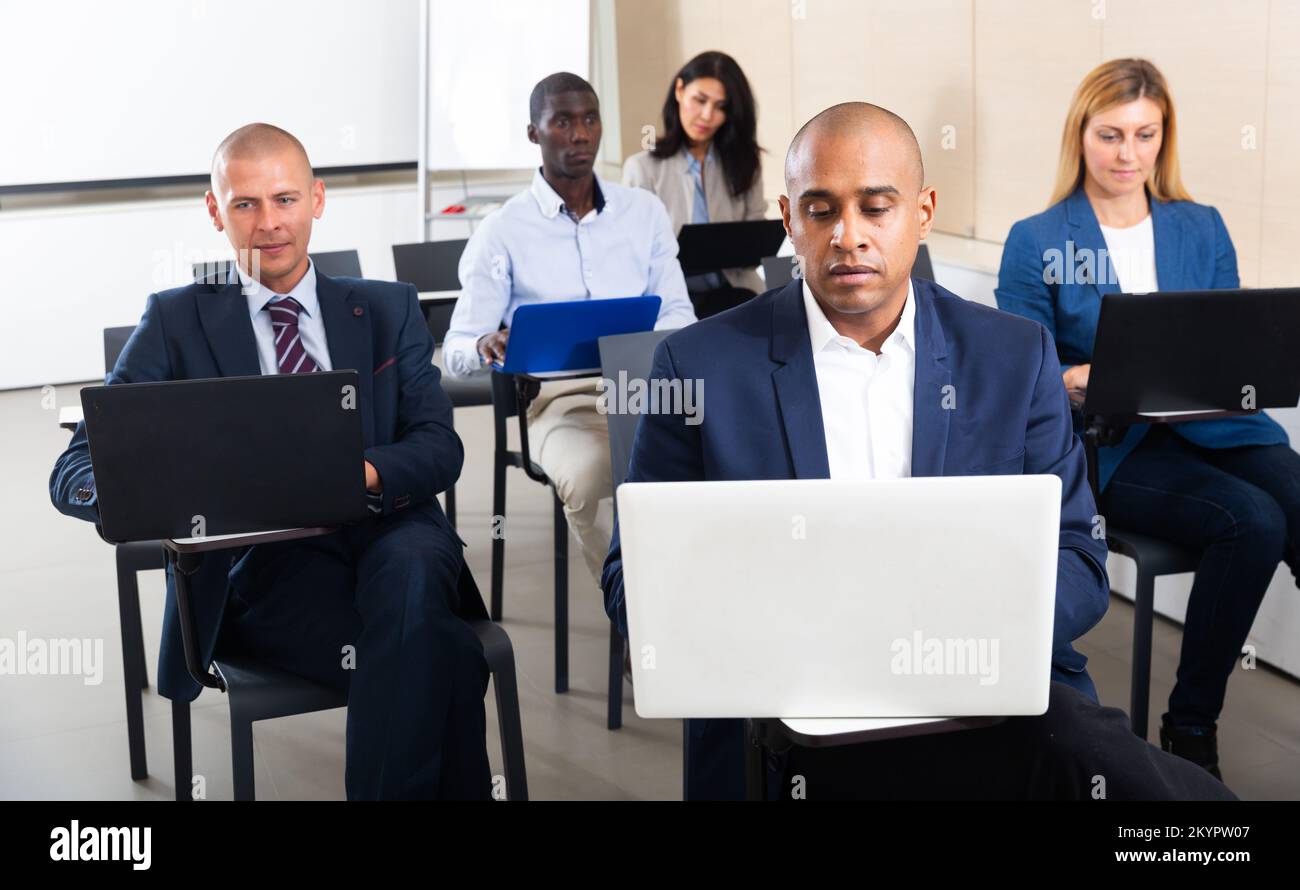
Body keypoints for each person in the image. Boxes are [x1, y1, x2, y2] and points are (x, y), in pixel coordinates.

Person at [600, 101, 1235, 802]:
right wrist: (795, 643)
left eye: (877, 208)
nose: (849, 236)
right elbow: (635, 579)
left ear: (923, 212)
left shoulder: (1014, 357)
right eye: (820, 211)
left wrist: (961, 640)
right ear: (788, 219)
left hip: (984, 698)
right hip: (791, 717)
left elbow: (1078, 555)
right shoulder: (698, 366)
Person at [50, 123, 492, 800]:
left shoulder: (386, 307)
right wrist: (155, 495)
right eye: (245, 204)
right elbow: (78, 466)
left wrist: (357, 476)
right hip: (266, 568)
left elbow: (439, 446)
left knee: (409, 574)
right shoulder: (175, 322)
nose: (269, 223)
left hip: (390, 528)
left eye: (284, 199)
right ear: (213, 210)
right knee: (445, 653)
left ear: (317, 199)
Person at [995, 58, 1300, 780]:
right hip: (1116, 446)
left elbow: (1227, 340)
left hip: (1220, 424)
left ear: (1165, 138)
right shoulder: (1036, 239)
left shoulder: (1200, 225)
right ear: (1081, 135)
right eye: (1110, 135)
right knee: (1251, 521)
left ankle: (1191, 720)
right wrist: (1077, 378)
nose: (1128, 154)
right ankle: (1190, 726)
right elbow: (1017, 373)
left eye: (1145, 134)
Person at [444, 72, 695, 588]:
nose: (581, 134)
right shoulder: (502, 231)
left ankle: (686, 595)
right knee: (587, 476)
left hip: (645, 388)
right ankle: (633, 609)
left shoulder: (642, 213)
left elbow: (679, 316)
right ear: (534, 133)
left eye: (589, 119)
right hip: (556, 401)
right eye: (563, 122)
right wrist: (484, 344)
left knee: (720, 447)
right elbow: (454, 350)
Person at [623, 50, 767, 318]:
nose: (707, 115)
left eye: (720, 107)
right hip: (674, 298)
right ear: (679, 90)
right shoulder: (642, 168)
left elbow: (755, 239)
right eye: (699, 100)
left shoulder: (745, 163)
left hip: (736, 293)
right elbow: (636, 254)